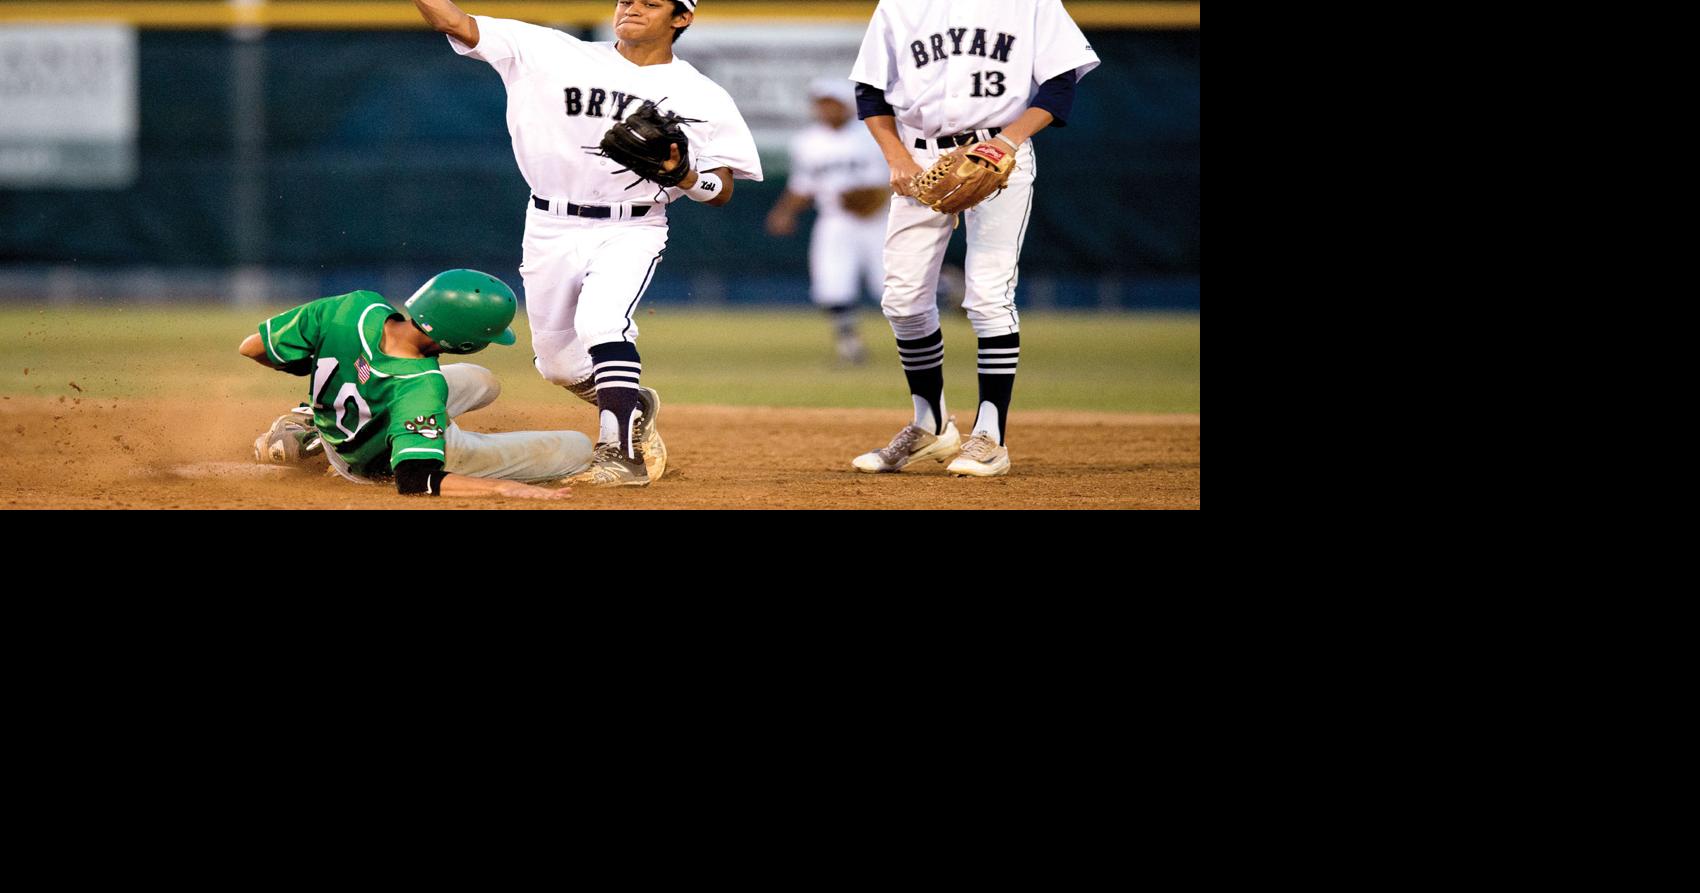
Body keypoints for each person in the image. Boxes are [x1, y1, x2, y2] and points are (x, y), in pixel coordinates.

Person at [411, 0, 762, 486]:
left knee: (602, 324)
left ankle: (620, 455)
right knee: (557, 365)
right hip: (549, 223)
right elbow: (452, 20)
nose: (632, 8)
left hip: (632, 226)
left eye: (651, 3)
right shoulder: (548, 51)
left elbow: (720, 190)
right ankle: (632, 404)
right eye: (626, 0)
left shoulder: (702, 95)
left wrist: (683, 175)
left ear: (681, 18)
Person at [848, 0, 1099, 477]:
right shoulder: (898, 6)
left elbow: (1060, 84)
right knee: (902, 300)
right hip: (920, 160)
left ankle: (990, 437)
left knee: (988, 297)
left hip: (1000, 153)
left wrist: (1006, 141)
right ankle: (930, 425)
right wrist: (896, 157)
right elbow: (869, 92)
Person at [241, 269, 592, 501]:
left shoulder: (353, 306)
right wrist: (503, 488)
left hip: (336, 422)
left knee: (483, 382)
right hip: (372, 464)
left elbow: (252, 348)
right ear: (463, 340)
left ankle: (313, 437)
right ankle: (331, 449)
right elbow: (414, 480)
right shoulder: (421, 385)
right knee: (577, 449)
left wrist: (343, 369)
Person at [765, 77, 892, 365]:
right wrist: (784, 211)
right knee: (832, 284)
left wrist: (877, 196)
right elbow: (802, 185)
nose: (826, 109)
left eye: (832, 103)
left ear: (847, 105)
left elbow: (892, 178)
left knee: (888, 285)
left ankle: (942, 292)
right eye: (821, 104)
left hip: (878, 219)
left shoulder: (872, 133)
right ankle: (849, 345)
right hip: (835, 219)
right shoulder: (807, 141)